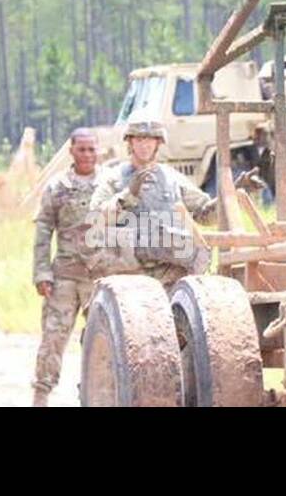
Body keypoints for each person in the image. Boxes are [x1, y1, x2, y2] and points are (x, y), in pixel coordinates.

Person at [88, 112, 217, 288]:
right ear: (130, 142)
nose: (144, 146)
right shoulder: (114, 178)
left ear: (158, 143)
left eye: (149, 140)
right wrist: (127, 196)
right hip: (128, 277)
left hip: (171, 273)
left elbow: (205, 215)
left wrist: (229, 198)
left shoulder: (171, 178)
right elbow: (96, 219)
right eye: (139, 140)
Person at [30, 127, 109, 407]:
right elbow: (43, 230)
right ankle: (41, 396)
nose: (87, 155)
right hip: (63, 278)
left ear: (98, 151)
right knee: (53, 341)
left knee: (102, 342)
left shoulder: (110, 185)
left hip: (99, 280)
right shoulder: (58, 186)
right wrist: (41, 273)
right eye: (81, 149)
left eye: (91, 149)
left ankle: (94, 396)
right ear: (71, 151)